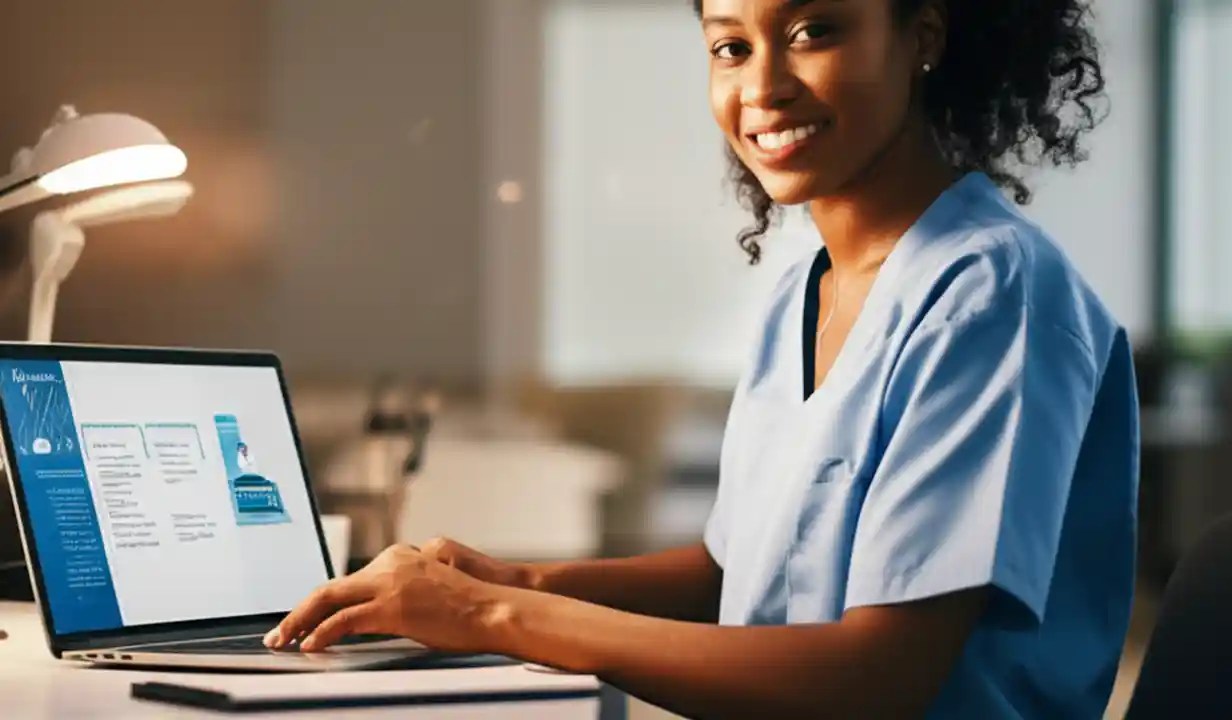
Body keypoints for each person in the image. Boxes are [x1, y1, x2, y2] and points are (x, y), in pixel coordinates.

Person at [266, 0, 1137, 716]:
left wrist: (495, 613)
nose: (763, 87)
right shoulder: (807, 289)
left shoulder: (993, 292)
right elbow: (739, 572)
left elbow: (878, 679)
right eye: (730, 45)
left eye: (814, 32)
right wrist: (516, 576)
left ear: (924, 37)